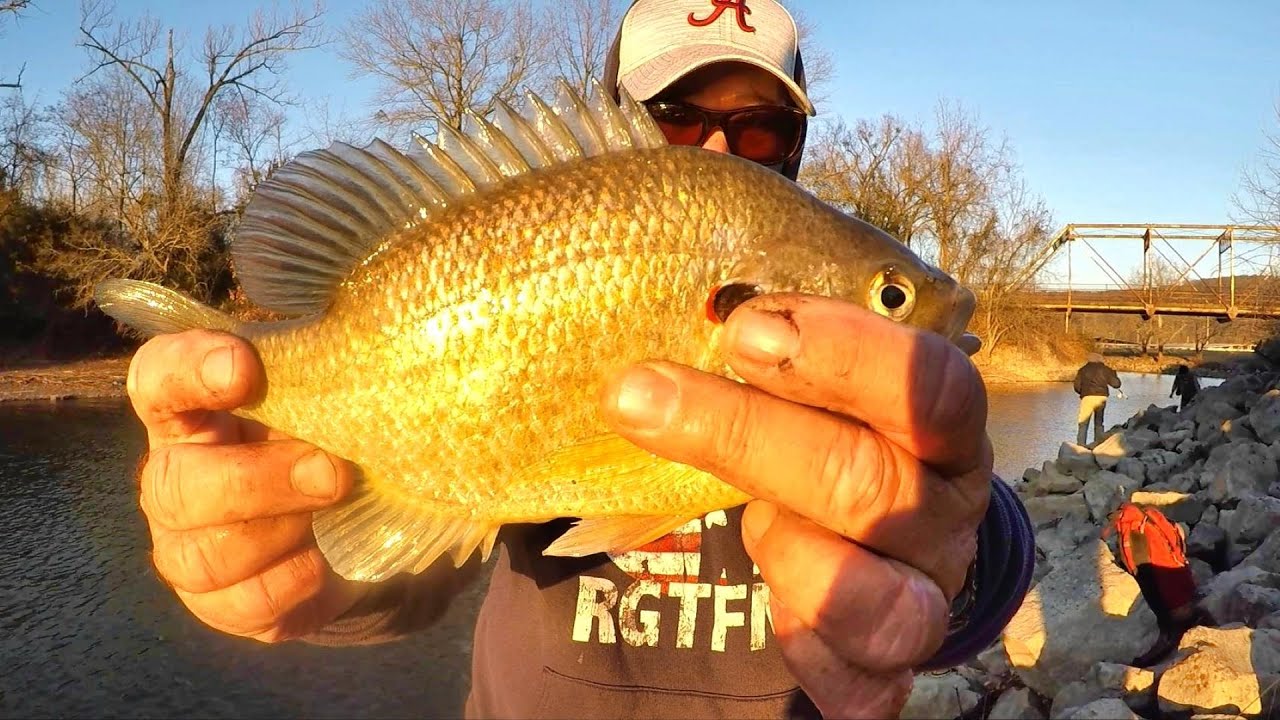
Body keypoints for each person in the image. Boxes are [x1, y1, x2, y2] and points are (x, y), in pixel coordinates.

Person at [119, 1, 1034, 717]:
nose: (718, 148)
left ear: (796, 142)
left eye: (761, 128)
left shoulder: (853, 335)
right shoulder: (612, 232)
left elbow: (973, 519)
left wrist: (957, 570)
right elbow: (400, 572)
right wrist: (288, 570)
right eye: (672, 117)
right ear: (617, 118)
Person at [1103, 502, 1207, 668]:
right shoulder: (1150, 518)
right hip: (1183, 589)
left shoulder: (1137, 530)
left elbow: (1145, 576)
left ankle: (1168, 632)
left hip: (1174, 605)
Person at [1073, 352, 1123, 447]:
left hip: (1087, 397)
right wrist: (1114, 374)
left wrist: (1083, 393)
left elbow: (1076, 386)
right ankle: (1098, 443)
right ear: (1100, 360)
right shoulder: (1105, 370)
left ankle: (1080, 446)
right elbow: (1117, 384)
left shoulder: (1082, 370)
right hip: (1101, 397)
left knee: (1083, 422)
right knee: (1099, 421)